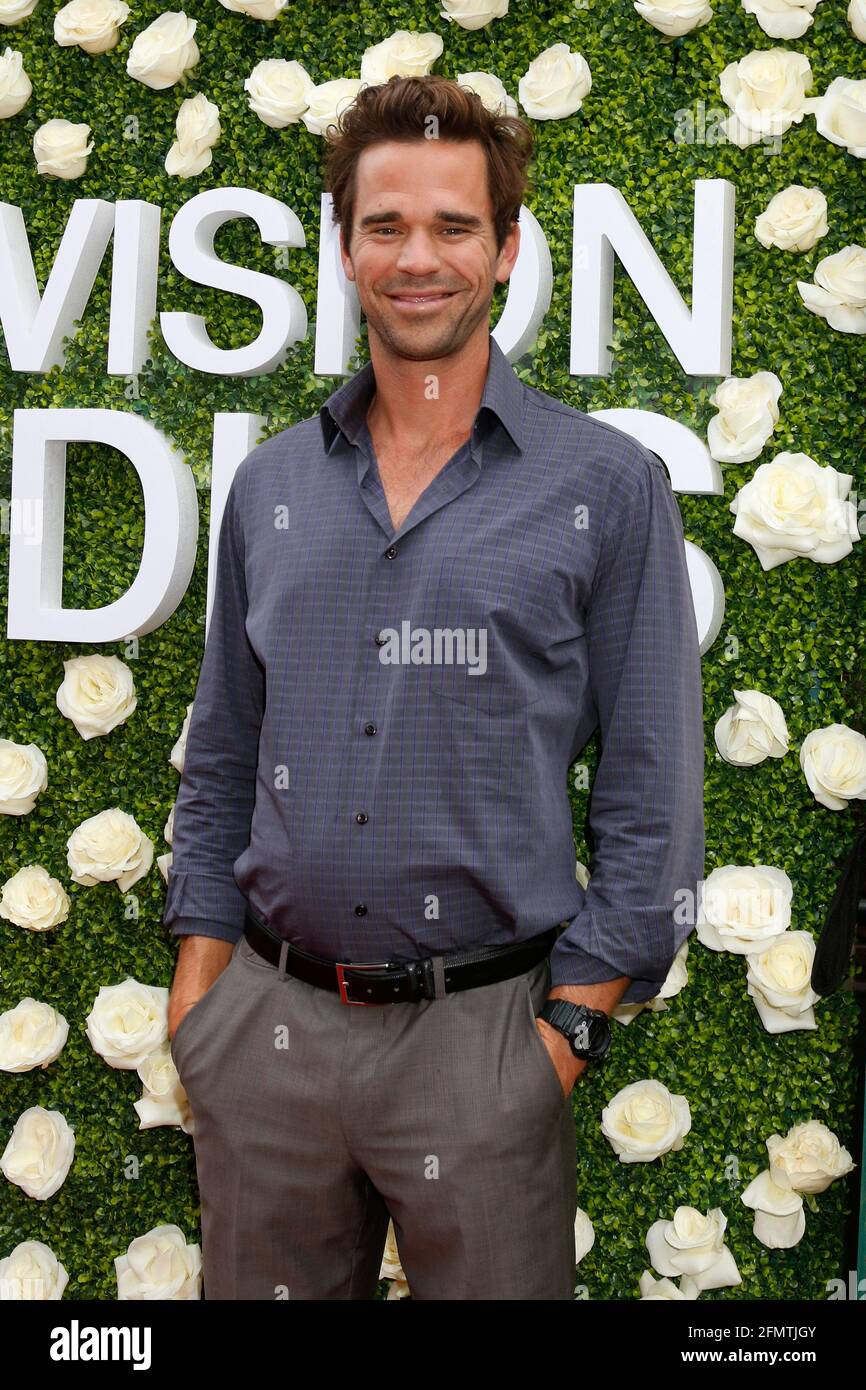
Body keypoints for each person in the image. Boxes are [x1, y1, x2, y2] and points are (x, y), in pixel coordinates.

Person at [162, 74, 705, 1301]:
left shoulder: (605, 487)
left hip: (487, 1039)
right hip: (266, 1028)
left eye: (454, 227)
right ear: (346, 248)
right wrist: (202, 986)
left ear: (505, 250)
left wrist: (563, 1033)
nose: (419, 258)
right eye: (386, 226)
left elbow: (652, 782)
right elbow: (226, 752)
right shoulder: (271, 486)